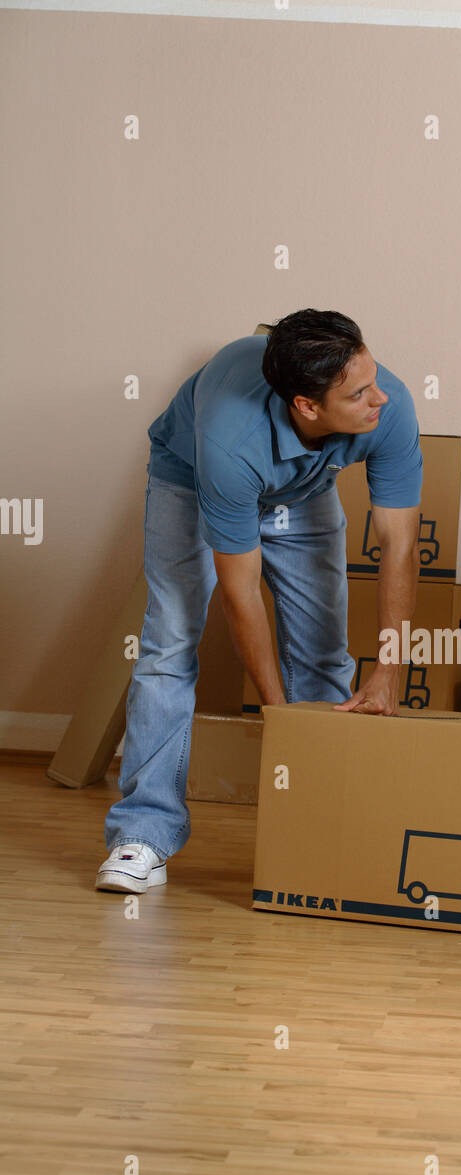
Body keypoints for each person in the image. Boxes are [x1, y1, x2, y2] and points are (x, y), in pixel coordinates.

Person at [96, 310, 423, 894]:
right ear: (307, 406)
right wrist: (277, 713)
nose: (380, 397)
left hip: (305, 487)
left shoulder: (386, 405)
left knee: (325, 652)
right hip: (194, 476)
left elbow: (398, 544)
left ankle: (323, 825)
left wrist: (390, 667)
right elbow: (241, 592)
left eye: (374, 377)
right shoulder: (231, 438)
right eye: (358, 393)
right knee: (169, 642)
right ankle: (142, 835)